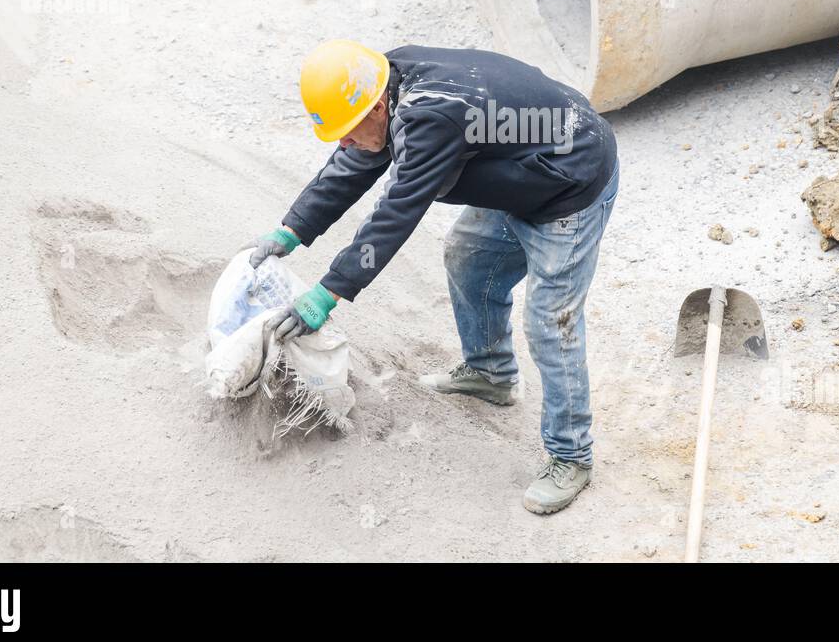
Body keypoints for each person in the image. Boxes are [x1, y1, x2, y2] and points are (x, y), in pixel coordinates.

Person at [248, 40, 618, 514]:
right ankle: (491, 374)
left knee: (551, 322)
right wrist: (292, 229)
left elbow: (395, 214)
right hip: (528, 165)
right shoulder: (383, 82)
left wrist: (327, 293)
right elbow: (354, 161)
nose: (342, 140)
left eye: (346, 129)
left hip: (571, 178)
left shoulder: (429, 118)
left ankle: (572, 455)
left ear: (378, 105)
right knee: (468, 256)